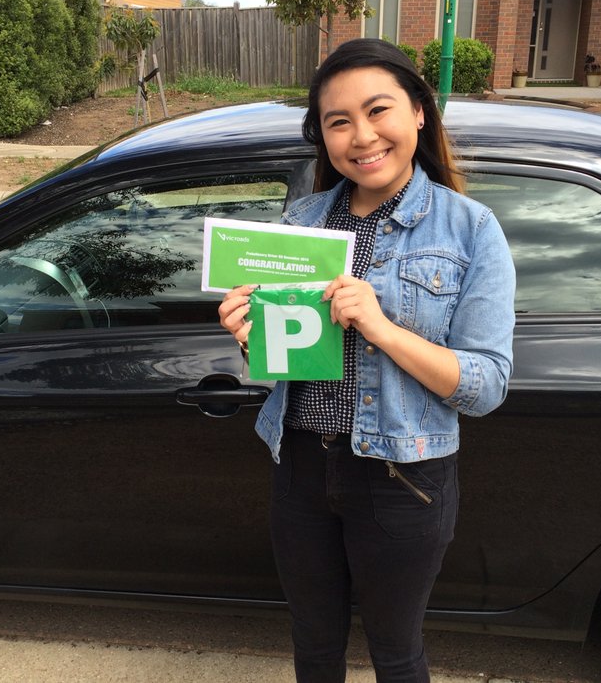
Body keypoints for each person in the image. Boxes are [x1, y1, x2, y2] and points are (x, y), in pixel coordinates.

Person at [218, 38, 516, 683]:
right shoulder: (301, 223)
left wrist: (380, 327)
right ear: (322, 136)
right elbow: (284, 366)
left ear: (418, 115)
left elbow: (486, 385)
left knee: (396, 650)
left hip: (401, 474)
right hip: (300, 463)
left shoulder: (470, 229)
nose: (362, 135)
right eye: (338, 121)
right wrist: (251, 336)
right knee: (315, 645)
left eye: (378, 110)